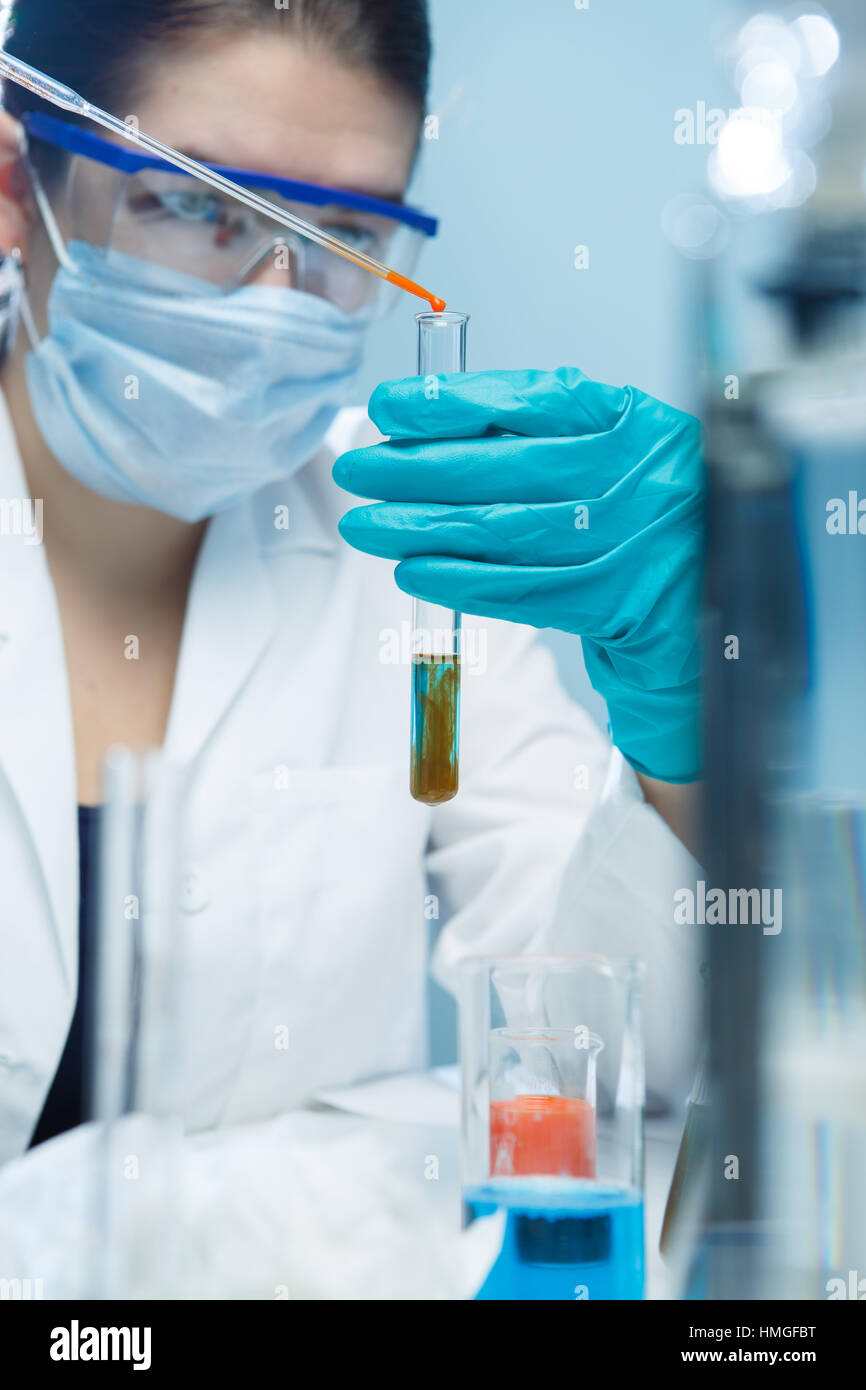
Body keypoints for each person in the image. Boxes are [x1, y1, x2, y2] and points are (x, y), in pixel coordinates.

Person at [0, 0, 704, 1165]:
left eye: (342, 235)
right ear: (19, 189)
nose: (279, 299)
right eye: (195, 203)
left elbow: (621, 1062)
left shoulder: (411, 569)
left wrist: (684, 741)